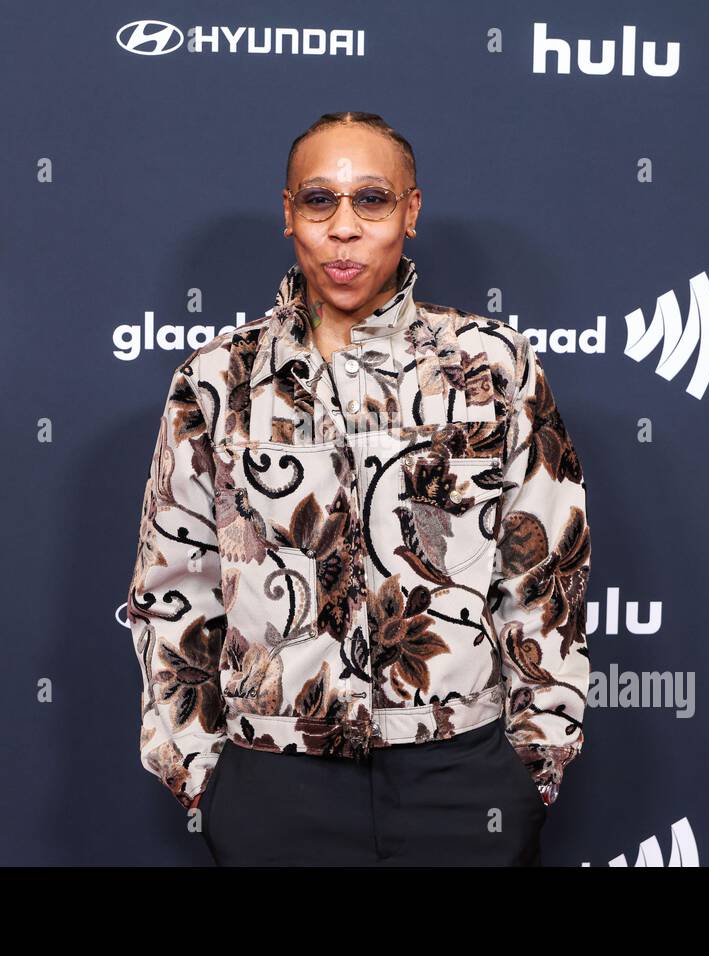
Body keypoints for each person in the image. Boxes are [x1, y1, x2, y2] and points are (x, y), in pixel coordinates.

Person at [126, 111, 591, 866]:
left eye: (372, 200)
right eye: (320, 201)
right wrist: (204, 774)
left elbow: (544, 572)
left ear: (411, 212)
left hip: (463, 779)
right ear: (288, 214)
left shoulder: (492, 365)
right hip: (272, 784)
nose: (344, 228)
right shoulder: (218, 379)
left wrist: (533, 764)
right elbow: (174, 583)